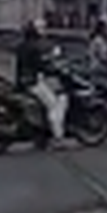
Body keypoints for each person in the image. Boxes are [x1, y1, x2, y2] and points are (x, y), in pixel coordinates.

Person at [14, 19, 69, 147]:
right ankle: (58, 138)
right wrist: (52, 68)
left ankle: (41, 136)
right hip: (32, 82)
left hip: (23, 81)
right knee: (54, 104)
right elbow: (41, 65)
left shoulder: (21, 46)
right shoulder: (35, 47)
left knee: (44, 105)